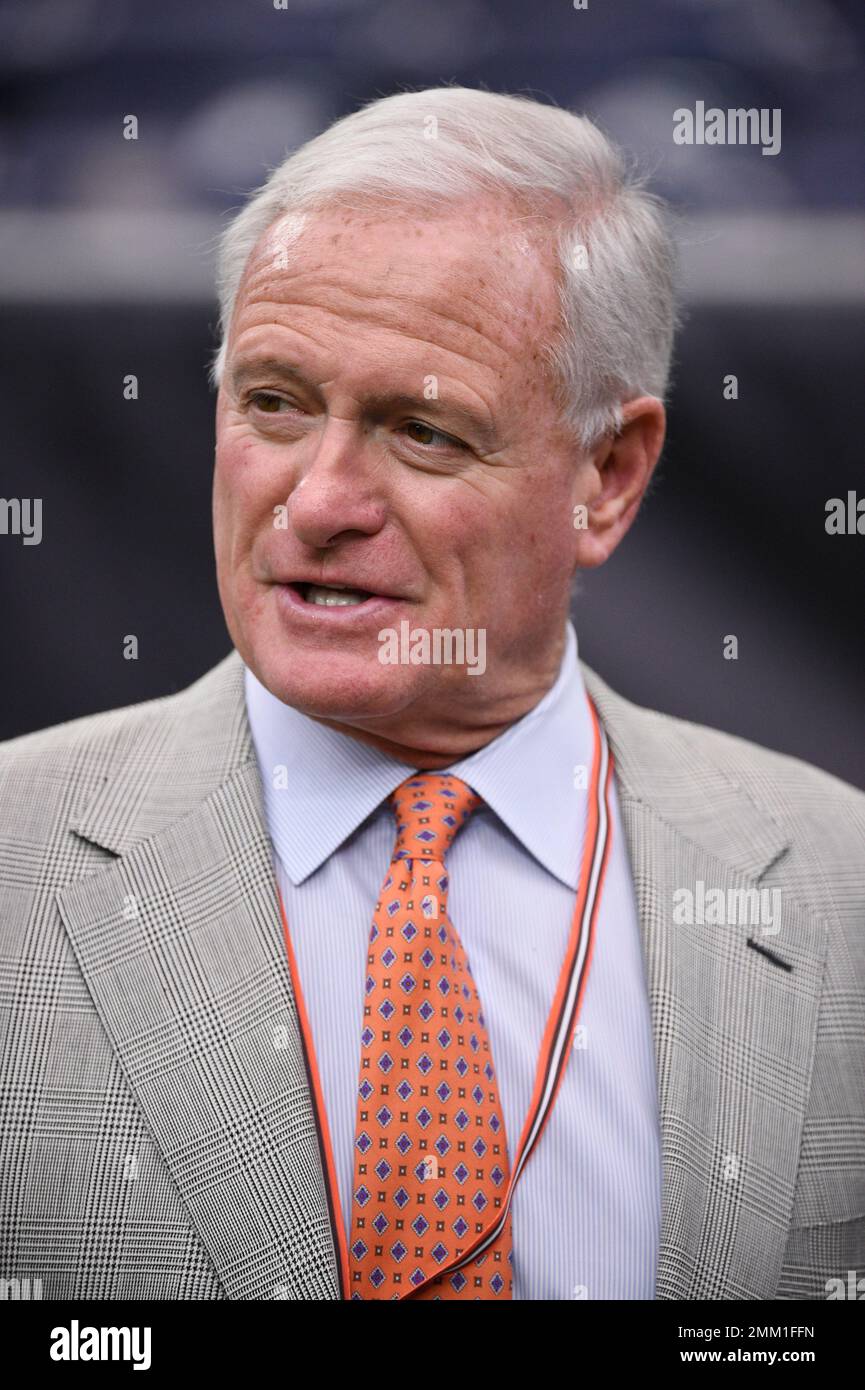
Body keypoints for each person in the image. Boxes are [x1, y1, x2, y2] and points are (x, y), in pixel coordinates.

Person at [1, 87, 862, 1302]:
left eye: (423, 430)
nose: (317, 502)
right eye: (275, 404)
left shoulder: (839, 887)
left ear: (606, 478)